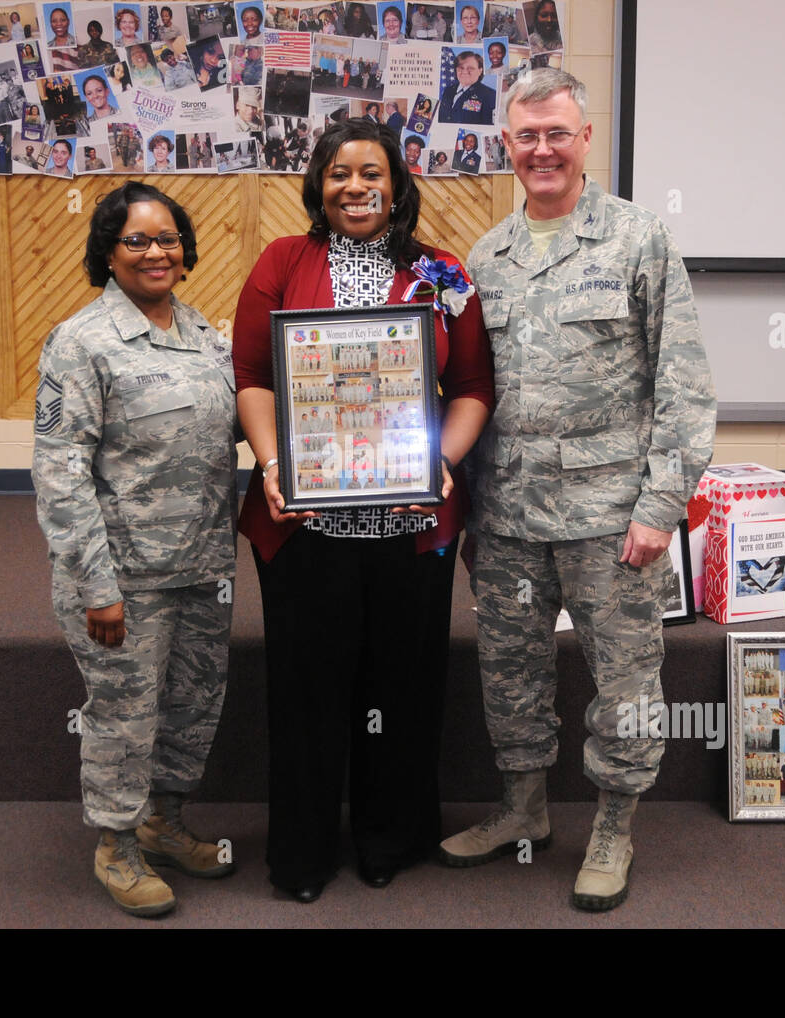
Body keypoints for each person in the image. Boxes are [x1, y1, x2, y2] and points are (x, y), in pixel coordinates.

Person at [439, 68, 716, 912]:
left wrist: (660, 509)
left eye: (558, 132)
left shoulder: (639, 239)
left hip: (609, 520)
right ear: (507, 146)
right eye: (527, 136)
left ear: (585, 139)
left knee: (626, 682)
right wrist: (467, 509)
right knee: (510, 673)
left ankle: (613, 824)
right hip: (511, 518)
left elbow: (685, 386)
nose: (544, 149)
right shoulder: (487, 257)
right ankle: (523, 811)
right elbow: (469, 390)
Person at [233, 118, 493, 902]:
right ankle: (304, 853)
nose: (356, 187)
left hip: (409, 526)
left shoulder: (442, 274)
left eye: (371, 172)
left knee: (399, 688)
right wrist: (274, 462)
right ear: (318, 182)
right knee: (307, 691)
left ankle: (390, 837)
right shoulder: (283, 261)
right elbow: (251, 377)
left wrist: (437, 459)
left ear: (397, 184)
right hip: (308, 523)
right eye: (340, 172)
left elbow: (476, 388)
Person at [33, 182, 238, 917]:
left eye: (168, 239)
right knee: (125, 714)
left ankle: (163, 823)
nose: (157, 252)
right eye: (138, 241)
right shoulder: (81, 342)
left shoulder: (205, 335)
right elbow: (58, 473)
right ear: (109, 254)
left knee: (192, 704)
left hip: (204, 566)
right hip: (125, 578)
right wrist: (97, 587)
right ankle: (115, 848)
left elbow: (246, 423)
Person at [438, 50, 495, 125]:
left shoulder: (489, 95)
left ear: (480, 71)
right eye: (461, 68)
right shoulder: (448, 90)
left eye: (470, 68)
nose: (464, 71)